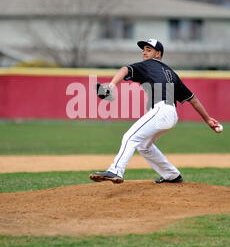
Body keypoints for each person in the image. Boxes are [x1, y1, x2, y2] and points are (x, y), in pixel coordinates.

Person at [90, 39, 220, 184]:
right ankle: (172, 175)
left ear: (158, 54)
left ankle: (115, 170)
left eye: (149, 49)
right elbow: (193, 99)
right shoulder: (172, 74)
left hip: (161, 110)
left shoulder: (148, 64)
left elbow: (125, 69)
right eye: (144, 49)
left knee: (130, 137)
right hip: (170, 115)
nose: (144, 52)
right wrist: (208, 119)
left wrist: (111, 86)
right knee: (144, 146)